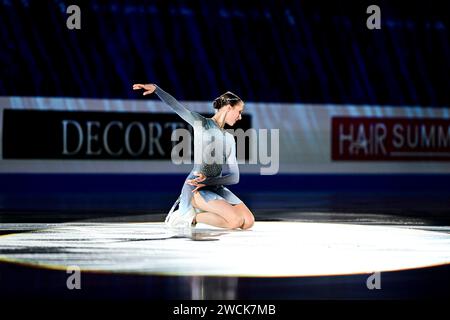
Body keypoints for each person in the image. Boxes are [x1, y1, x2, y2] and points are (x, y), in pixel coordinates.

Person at [132, 83, 254, 230]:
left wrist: (209, 181)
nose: (240, 117)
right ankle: (189, 217)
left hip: (214, 185)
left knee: (248, 222)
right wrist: (157, 89)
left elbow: (235, 177)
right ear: (229, 107)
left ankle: (203, 211)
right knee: (234, 221)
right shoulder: (202, 123)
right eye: (239, 111)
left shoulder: (229, 138)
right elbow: (177, 107)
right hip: (197, 188)